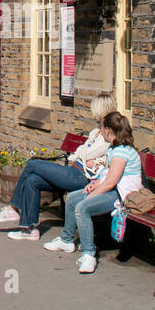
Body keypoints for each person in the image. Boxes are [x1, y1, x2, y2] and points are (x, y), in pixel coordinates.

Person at [0, 94, 117, 240]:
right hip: (74, 171)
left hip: (82, 178)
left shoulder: (108, 134)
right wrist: (83, 156)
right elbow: (78, 153)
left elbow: (84, 152)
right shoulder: (95, 132)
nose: (92, 112)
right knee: (32, 180)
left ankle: (13, 208)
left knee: (33, 164)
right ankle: (29, 229)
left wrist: (82, 155)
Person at [42, 112, 142, 274]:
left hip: (123, 196)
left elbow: (111, 182)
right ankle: (67, 240)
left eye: (102, 127)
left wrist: (91, 195)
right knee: (73, 198)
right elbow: (107, 176)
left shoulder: (121, 152)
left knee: (82, 208)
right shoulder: (114, 148)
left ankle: (89, 254)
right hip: (114, 190)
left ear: (108, 130)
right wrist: (94, 184)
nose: (100, 131)